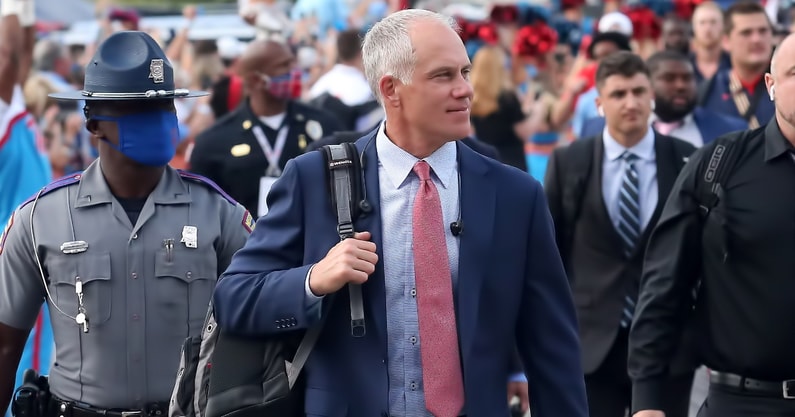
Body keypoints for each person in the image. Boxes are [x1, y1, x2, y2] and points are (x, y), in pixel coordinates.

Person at [211, 9, 588, 417]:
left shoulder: (516, 195)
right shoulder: (313, 180)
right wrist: (312, 281)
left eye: (465, 71)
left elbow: (553, 349)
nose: (465, 89)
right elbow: (233, 298)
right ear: (392, 89)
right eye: (443, 76)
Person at [0, 31, 252, 417]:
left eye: (166, 106)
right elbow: (5, 343)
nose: (161, 120)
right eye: (137, 109)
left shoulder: (217, 212)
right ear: (93, 122)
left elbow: (262, 313)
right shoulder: (40, 219)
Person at [629, 33, 795, 417]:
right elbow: (664, 283)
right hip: (742, 403)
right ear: (770, 85)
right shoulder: (720, 165)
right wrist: (648, 400)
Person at [544, 51, 697, 417]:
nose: (631, 102)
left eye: (639, 91)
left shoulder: (686, 159)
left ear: (652, 97)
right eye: (618, 94)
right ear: (599, 104)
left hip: (669, 345)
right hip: (591, 343)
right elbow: (551, 251)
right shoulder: (571, 161)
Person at [189, 39, 342, 218]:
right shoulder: (214, 142)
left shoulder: (324, 125)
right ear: (256, 80)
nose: (295, 71)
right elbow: (203, 214)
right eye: (284, 65)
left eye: (293, 62)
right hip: (245, 242)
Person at [0, 1, 55, 416]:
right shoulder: (5, 114)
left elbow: (21, 51)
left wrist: (27, 12)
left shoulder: (20, 113)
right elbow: (10, 51)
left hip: (33, 250)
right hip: (12, 258)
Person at [581, 50, 747, 147]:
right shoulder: (595, 130)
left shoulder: (731, 131)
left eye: (687, 78)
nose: (680, 86)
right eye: (669, 78)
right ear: (648, 85)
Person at [698, 1, 774, 128]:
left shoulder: (787, 84)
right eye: (746, 33)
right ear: (726, 41)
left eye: (763, 31)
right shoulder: (706, 93)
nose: (756, 39)